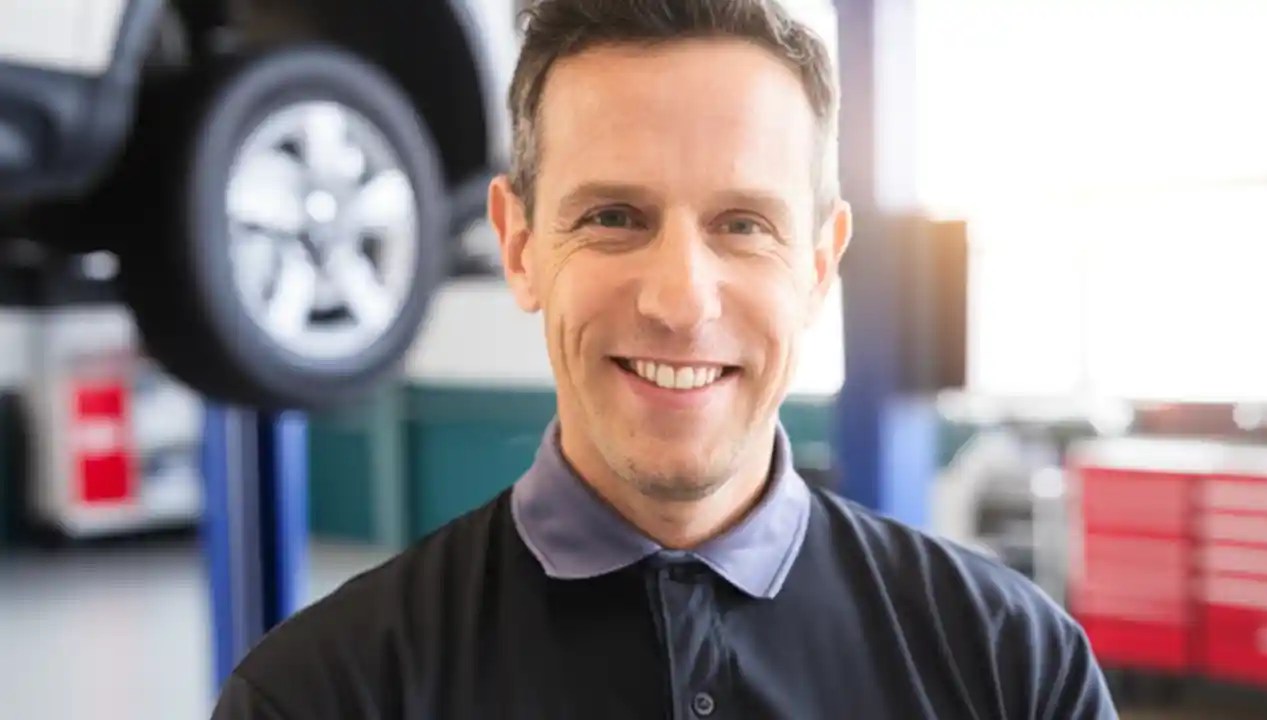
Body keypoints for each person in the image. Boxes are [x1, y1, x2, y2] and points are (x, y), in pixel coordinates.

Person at [212, 0, 1117, 717]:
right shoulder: (322, 694)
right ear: (519, 246)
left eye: (743, 224)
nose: (681, 300)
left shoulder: (1013, 671)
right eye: (613, 217)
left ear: (816, 266)